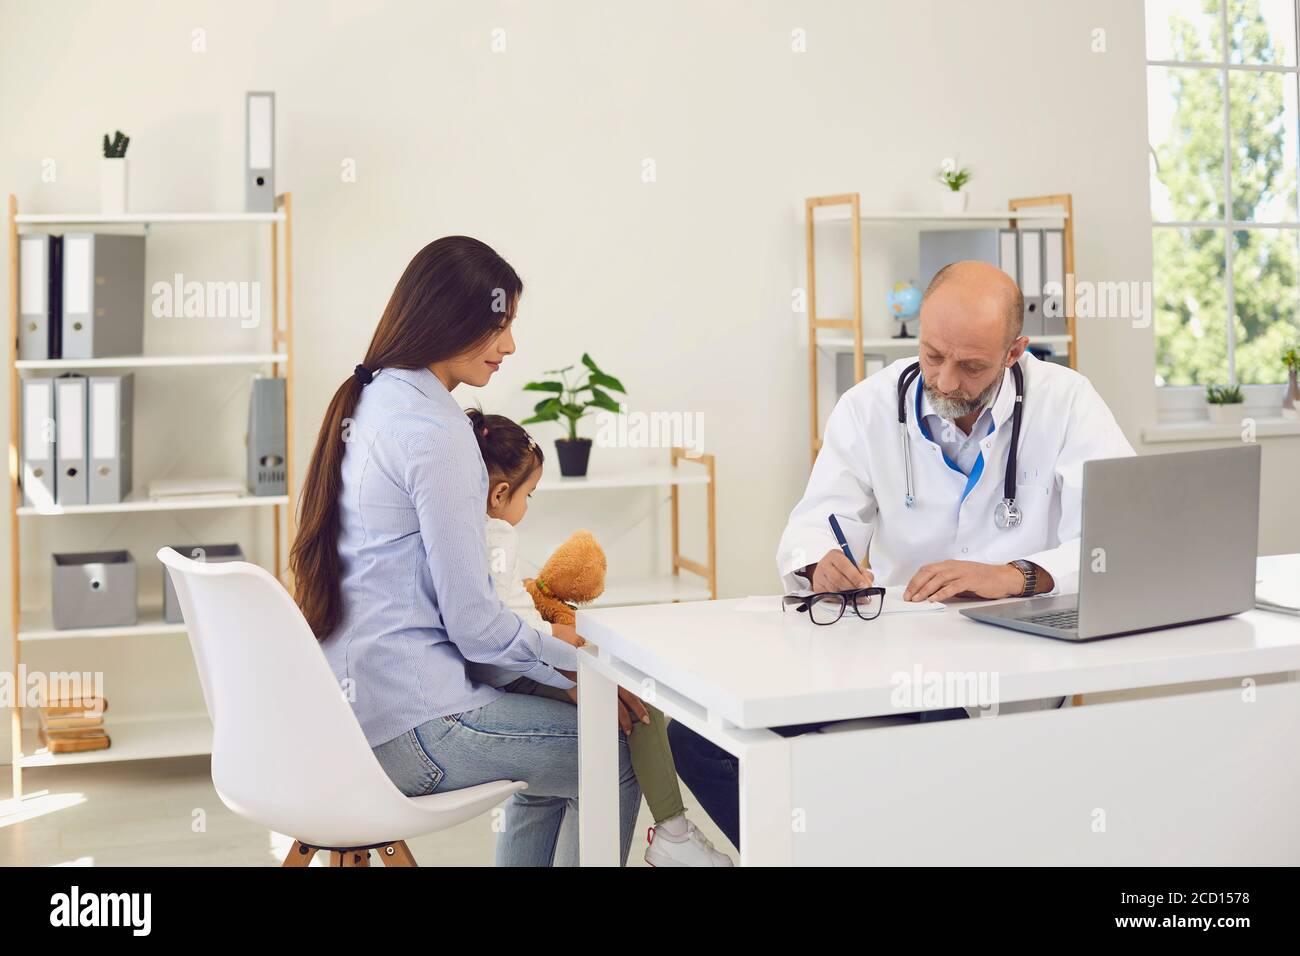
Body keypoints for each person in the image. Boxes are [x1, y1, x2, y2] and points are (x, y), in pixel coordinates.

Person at [667, 260, 1135, 851]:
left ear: (1015, 351)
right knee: (699, 740)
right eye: (932, 354)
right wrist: (820, 564)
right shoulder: (869, 406)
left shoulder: (1067, 403)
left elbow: (1118, 538)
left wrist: (1016, 575)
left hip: (1011, 656)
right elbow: (816, 521)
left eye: (971, 366)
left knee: (935, 750)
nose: (944, 379)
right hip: (888, 649)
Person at [290, 236, 645, 866]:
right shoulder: (437, 432)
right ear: (447, 321)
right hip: (417, 730)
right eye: (498, 327)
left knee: (553, 755)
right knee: (613, 752)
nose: (510, 346)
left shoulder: (373, 401)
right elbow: (476, 628)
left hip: (349, 724)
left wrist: (555, 674)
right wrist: (577, 670)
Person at [462, 408, 733, 867]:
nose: (527, 507)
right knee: (638, 696)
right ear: (500, 494)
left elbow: (498, 611)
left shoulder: (465, 529)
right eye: (529, 494)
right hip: (520, 666)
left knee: (541, 790)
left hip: (507, 666)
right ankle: (673, 830)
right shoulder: (497, 535)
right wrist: (558, 639)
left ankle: (674, 830)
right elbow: (505, 626)